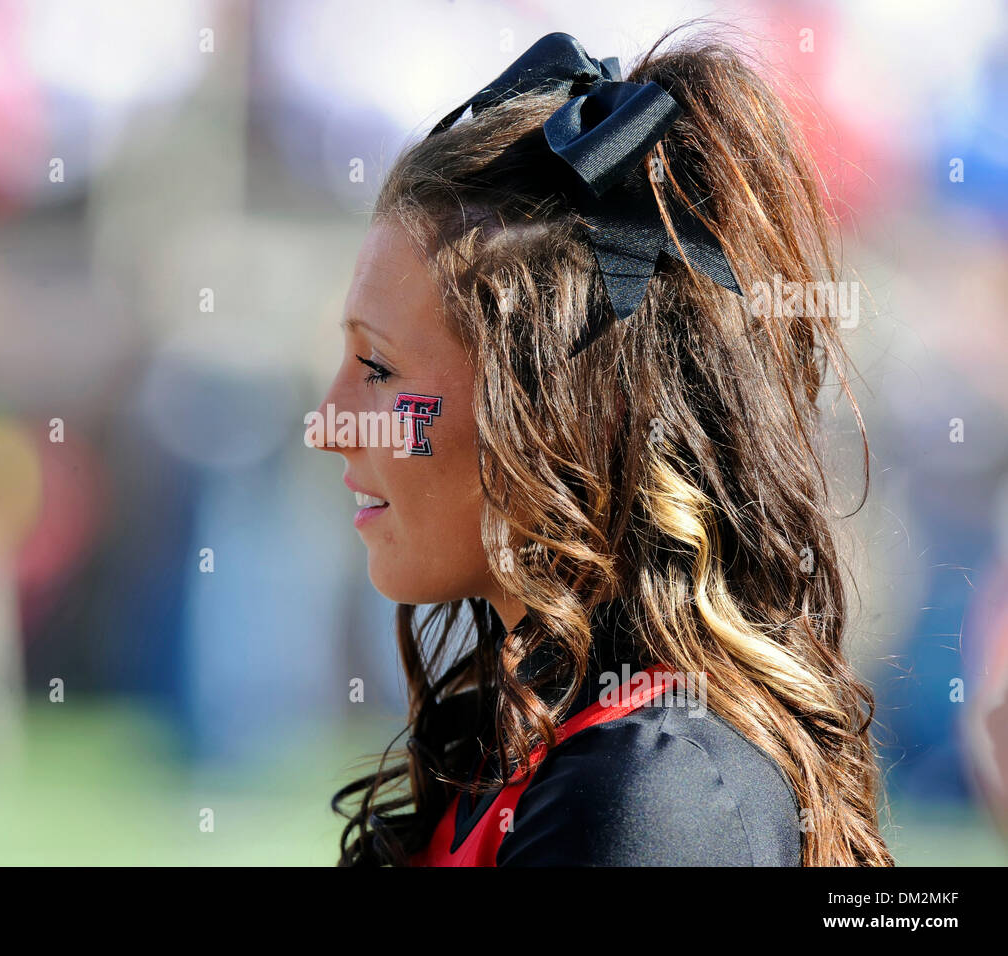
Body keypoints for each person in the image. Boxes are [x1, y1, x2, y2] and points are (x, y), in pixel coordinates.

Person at [310, 29, 892, 866]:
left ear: (553, 411)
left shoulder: (650, 797)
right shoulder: (522, 733)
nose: (329, 423)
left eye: (377, 367)